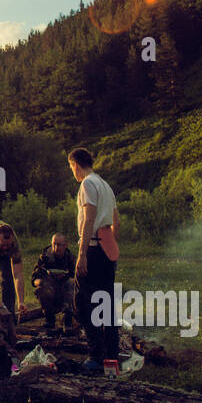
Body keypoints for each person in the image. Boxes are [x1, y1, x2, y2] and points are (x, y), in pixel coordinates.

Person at [69, 148, 120, 373]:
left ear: (76, 165)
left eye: (71, 168)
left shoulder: (87, 184)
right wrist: (108, 241)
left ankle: (96, 356)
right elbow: (116, 220)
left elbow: (89, 217)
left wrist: (81, 255)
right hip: (107, 249)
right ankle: (112, 356)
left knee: (83, 304)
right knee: (106, 304)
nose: (73, 172)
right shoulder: (105, 185)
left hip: (91, 249)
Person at [31, 233, 78, 333]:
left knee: (72, 283)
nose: (56, 247)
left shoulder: (70, 258)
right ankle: (49, 319)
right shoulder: (45, 257)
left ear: (66, 245)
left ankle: (68, 319)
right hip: (50, 290)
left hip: (65, 292)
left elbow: (77, 278)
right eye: (54, 244)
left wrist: (64, 277)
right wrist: (42, 281)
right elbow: (34, 279)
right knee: (41, 288)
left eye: (60, 244)